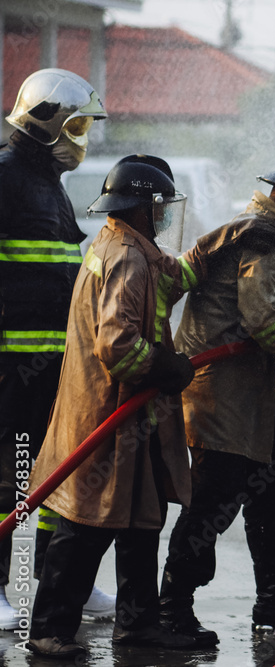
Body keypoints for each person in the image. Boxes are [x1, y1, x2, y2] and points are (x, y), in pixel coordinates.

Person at [26, 156, 206, 658]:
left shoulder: (116, 244)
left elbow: (175, 276)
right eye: (159, 207)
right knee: (85, 527)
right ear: (143, 209)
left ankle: (138, 626)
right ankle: (49, 629)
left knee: (138, 523)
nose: (164, 216)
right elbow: (119, 344)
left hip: (128, 418)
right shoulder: (127, 257)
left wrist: (221, 244)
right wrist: (170, 369)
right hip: (110, 416)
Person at [158, 153, 275, 641]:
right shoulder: (264, 235)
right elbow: (261, 317)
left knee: (264, 491)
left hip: (241, 396)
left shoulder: (260, 231)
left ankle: (274, 601)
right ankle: (173, 610)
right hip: (220, 397)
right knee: (213, 503)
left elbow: (268, 293)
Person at [0, 68, 117, 629]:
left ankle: (56, 578)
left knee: (54, 472)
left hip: (56, 364)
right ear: (45, 120)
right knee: (8, 475)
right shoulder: (4, 174)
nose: (81, 138)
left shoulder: (47, 181)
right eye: (75, 124)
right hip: (10, 365)